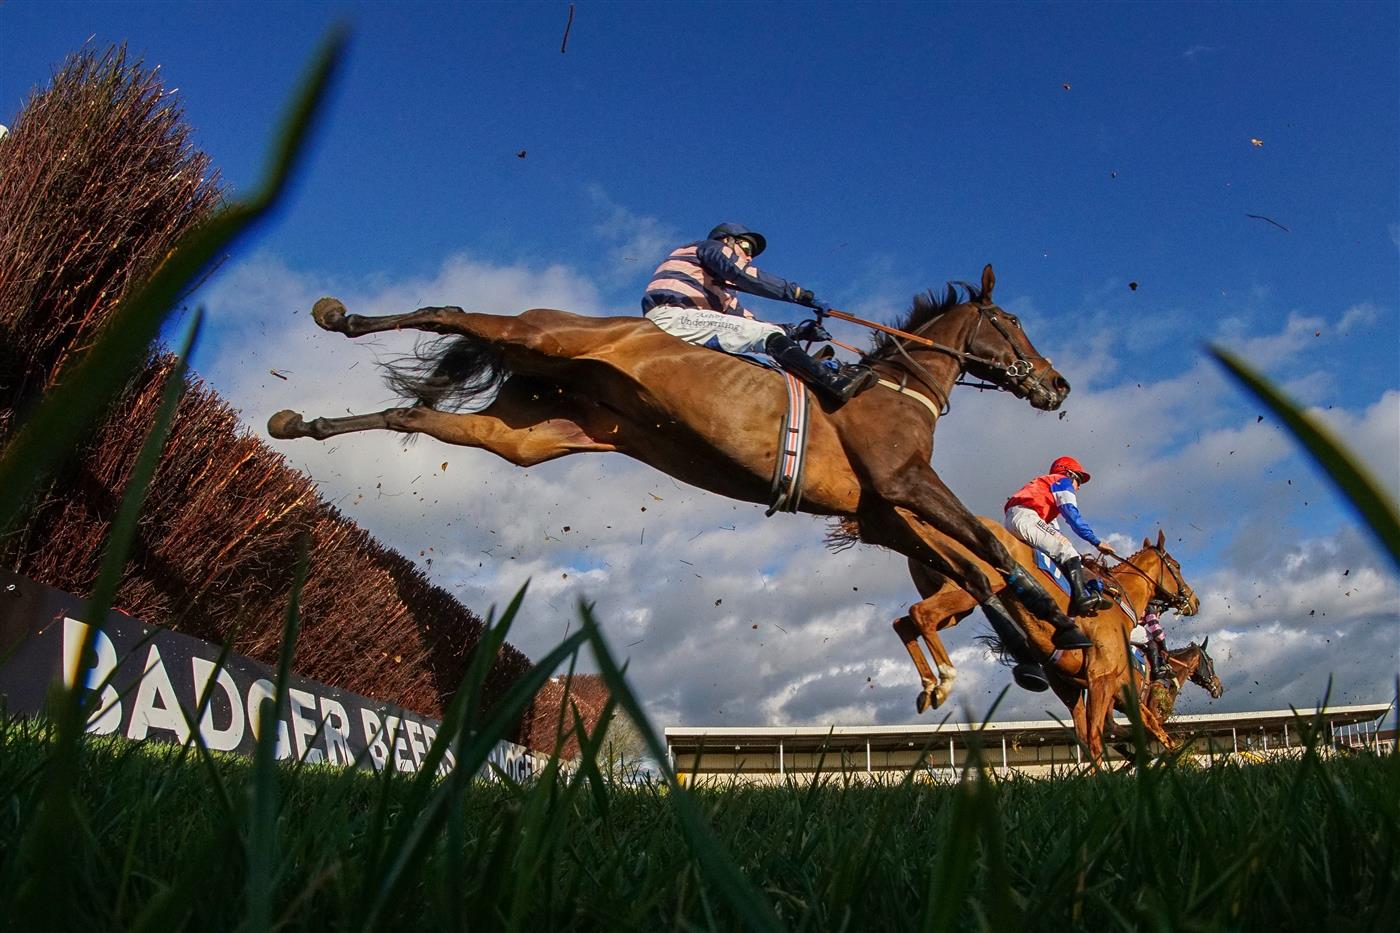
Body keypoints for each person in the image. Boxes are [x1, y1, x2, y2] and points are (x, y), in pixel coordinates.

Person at [642, 223, 877, 405]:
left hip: (687, 323)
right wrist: (801, 295)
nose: (749, 256)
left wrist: (798, 331)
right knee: (766, 335)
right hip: (673, 317)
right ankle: (833, 382)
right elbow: (745, 274)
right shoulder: (710, 248)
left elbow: (748, 324)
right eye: (746, 247)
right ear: (726, 240)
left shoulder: (722, 293)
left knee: (764, 348)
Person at [1003, 456, 1117, 616]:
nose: (1078, 487)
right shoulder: (1062, 481)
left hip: (1016, 519)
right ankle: (1081, 599)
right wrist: (1096, 542)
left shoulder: (1046, 491)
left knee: (1065, 549)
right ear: (1069, 474)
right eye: (1078, 480)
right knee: (1067, 551)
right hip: (1026, 518)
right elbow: (1072, 515)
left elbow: (1056, 533)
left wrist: (1076, 555)